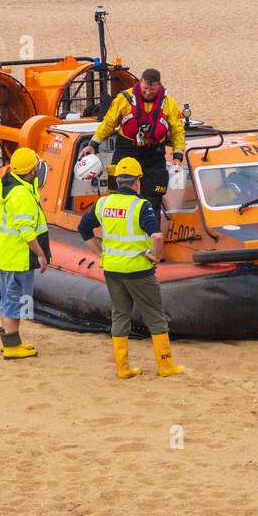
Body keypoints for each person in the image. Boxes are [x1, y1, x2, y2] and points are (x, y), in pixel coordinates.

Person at [77, 155, 185, 379]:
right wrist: (156, 257)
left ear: (117, 181)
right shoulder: (141, 206)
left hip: (112, 270)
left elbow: (84, 228)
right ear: (137, 182)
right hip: (138, 271)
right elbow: (156, 236)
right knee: (155, 315)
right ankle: (165, 365)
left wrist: (100, 253)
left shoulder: (103, 203)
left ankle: (123, 368)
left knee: (120, 315)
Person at [78, 68, 185, 219]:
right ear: (140, 82)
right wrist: (93, 144)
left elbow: (178, 131)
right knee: (119, 194)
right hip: (126, 149)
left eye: (152, 90)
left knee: (153, 197)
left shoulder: (169, 104)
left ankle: (150, 231)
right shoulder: (124, 99)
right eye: (145, 88)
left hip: (154, 154)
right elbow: (108, 123)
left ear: (159, 86)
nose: (148, 92)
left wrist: (178, 156)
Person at [0, 146, 50, 361]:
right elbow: (26, 231)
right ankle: (11, 346)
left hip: (5, 253)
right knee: (13, 301)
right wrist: (41, 254)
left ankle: (12, 340)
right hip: (18, 256)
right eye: (35, 166)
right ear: (31, 171)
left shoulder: (8, 181)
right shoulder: (21, 195)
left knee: (9, 297)